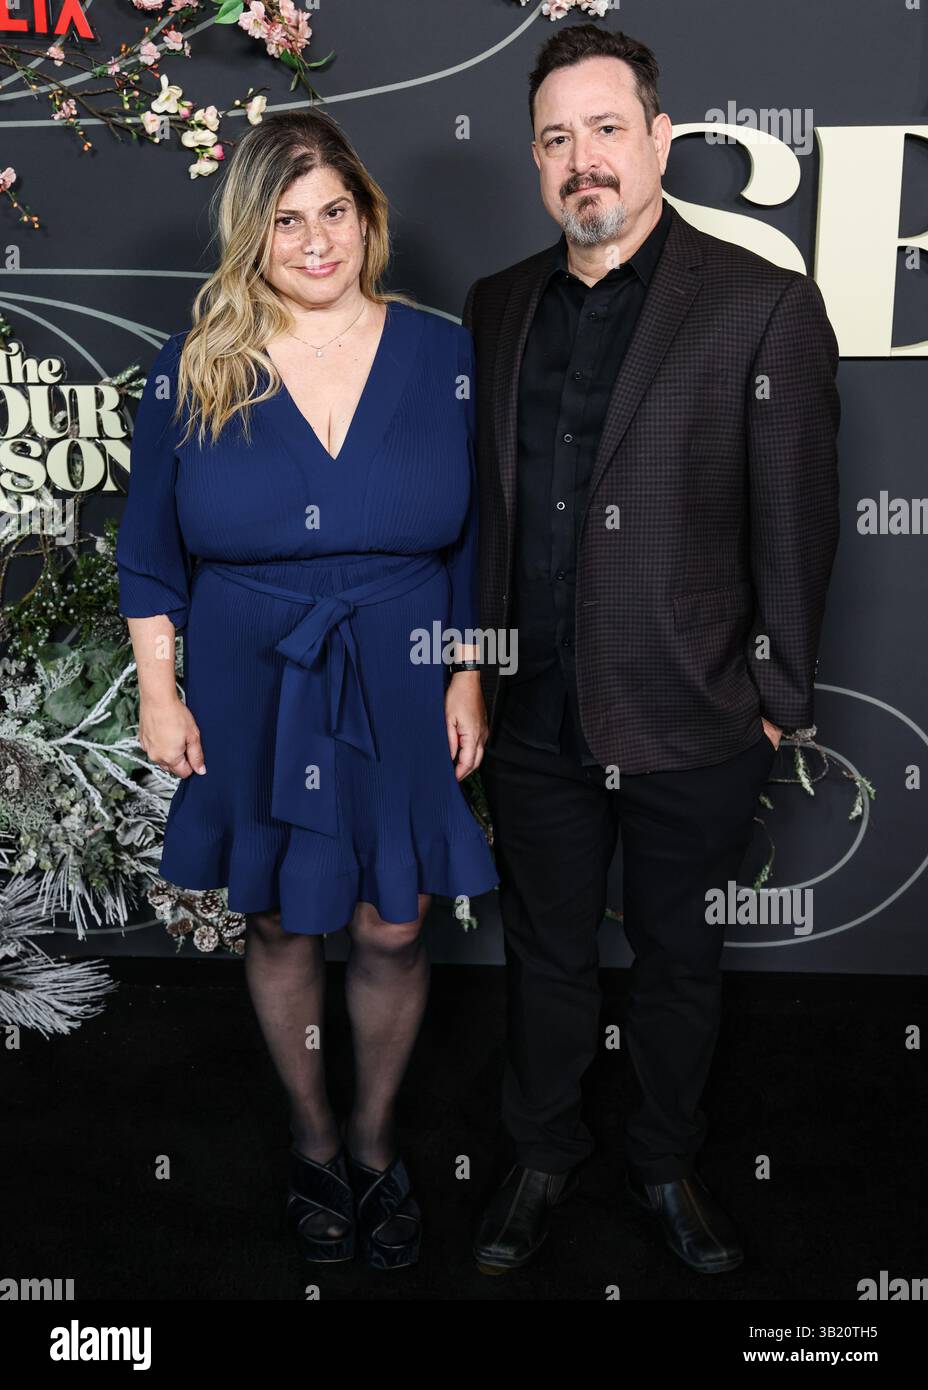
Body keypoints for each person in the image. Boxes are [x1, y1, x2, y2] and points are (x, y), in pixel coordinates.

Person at [463, 25, 840, 1275]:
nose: (584, 162)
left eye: (605, 130)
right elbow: (484, 517)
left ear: (659, 139)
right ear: (534, 162)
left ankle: (667, 1162)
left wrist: (772, 704)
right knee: (547, 957)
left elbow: (796, 529)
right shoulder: (498, 306)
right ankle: (543, 1154)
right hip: (535, 720)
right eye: (556, 139)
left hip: (692, 719)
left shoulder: (759, 306)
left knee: (679, 961)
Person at [115, 109, 498, 1271]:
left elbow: (477, 534)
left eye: (335, 210)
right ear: (252, 233)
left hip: (401, 657)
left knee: (395, 917)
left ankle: (378, 1143)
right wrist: (158, 691)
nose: (316, 239)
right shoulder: (196, 365)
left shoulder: (443, 354)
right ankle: (314, 1136)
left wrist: (469, 667)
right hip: (249, 671)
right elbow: (147, 550)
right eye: (286, 219)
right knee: (279, 910)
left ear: (366, 219)